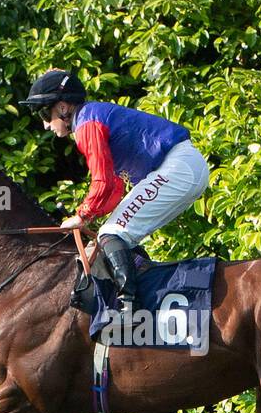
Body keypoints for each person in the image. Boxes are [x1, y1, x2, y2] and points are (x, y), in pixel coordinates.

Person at [18, 69, 209, 315]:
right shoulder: (90, 118)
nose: (45, 124)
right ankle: (145, 297)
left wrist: (82, 215)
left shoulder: (87, 123)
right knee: (115, 235)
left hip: (179, 167)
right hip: (182, 166)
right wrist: (90, 216)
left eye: (45, 112)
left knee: (111, 232)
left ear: (64, 108)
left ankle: (129, 308)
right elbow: (115, 187)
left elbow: (104, 183)